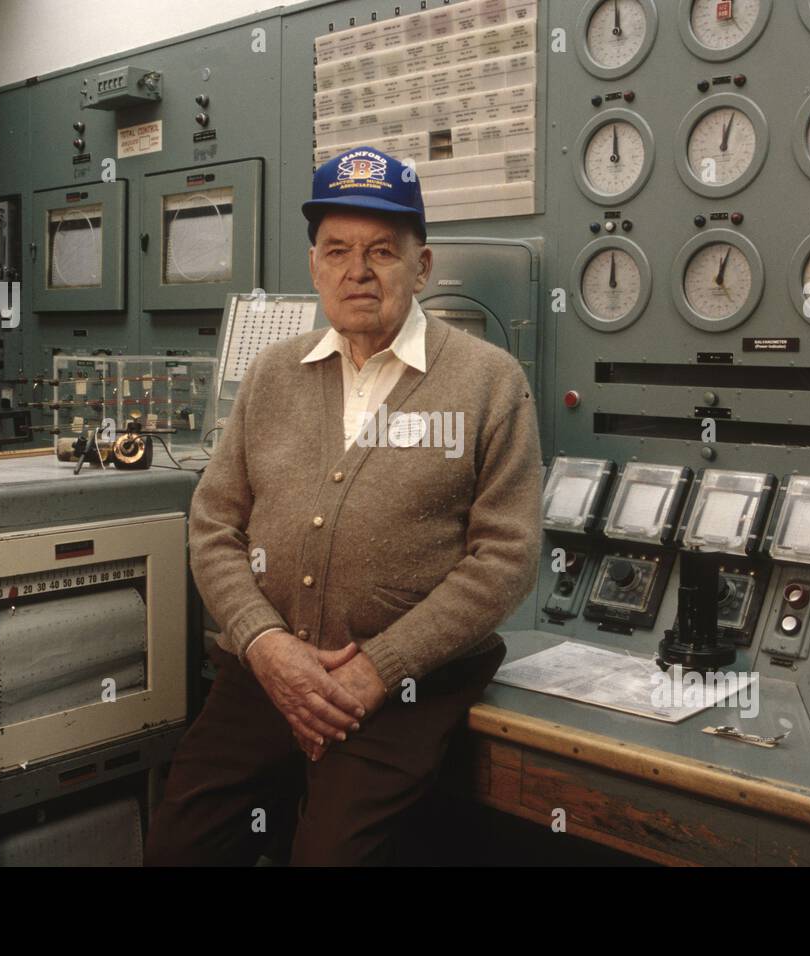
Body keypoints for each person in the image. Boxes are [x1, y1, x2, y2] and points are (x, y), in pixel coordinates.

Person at [144, 145, 542, 866]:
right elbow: (212, 525)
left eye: (382, 251)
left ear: (422, 267)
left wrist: (378, 669)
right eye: (337, 250)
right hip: (264, 672)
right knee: (178, 846)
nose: (357, 270)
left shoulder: (490, 382)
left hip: (404, 689)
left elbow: (506, 559)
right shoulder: (274, 374)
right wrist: (264, 644)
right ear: (314, 267)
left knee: (330, 856)